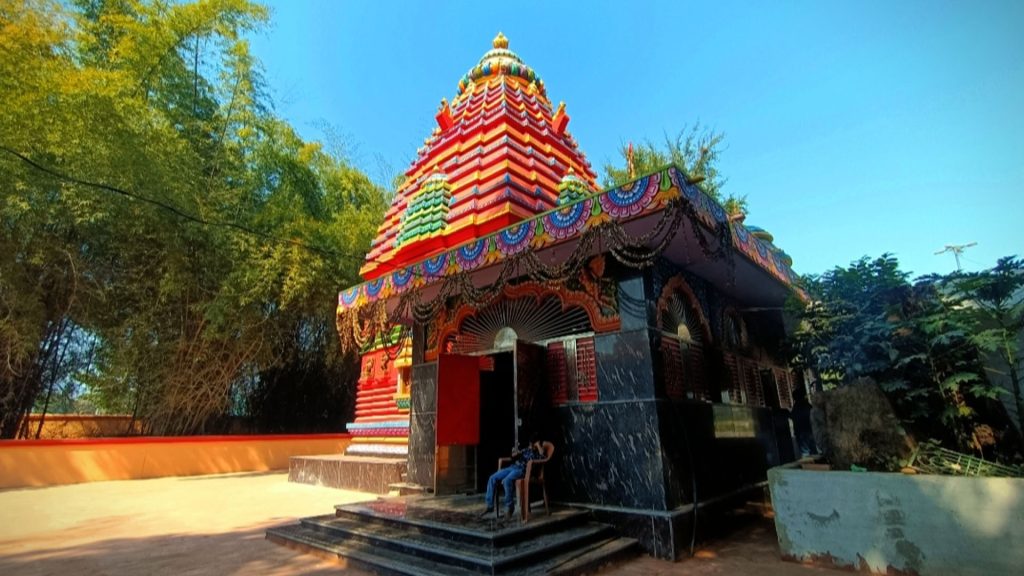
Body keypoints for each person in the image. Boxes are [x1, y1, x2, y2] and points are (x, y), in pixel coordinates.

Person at [481, 435, 547, 519]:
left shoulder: (539, 452)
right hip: (512, 467)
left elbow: (543, 456)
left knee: (506, 481)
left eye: (532, 444)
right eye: (530, 443)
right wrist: (514, 453)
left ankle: (510, 507)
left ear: (536, 443)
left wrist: (537, 445)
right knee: (492, 478)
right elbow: (513, 456)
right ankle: (490, 505)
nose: (530, 445)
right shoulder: (526, 449)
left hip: (521, 470)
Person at [790, 387, 818, 457]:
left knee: (805, 453)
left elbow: (793, 417)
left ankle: (809, 467)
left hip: (801, 433)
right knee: (814, 452)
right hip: (810, 431)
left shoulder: (796, 407)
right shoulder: (808, 405)